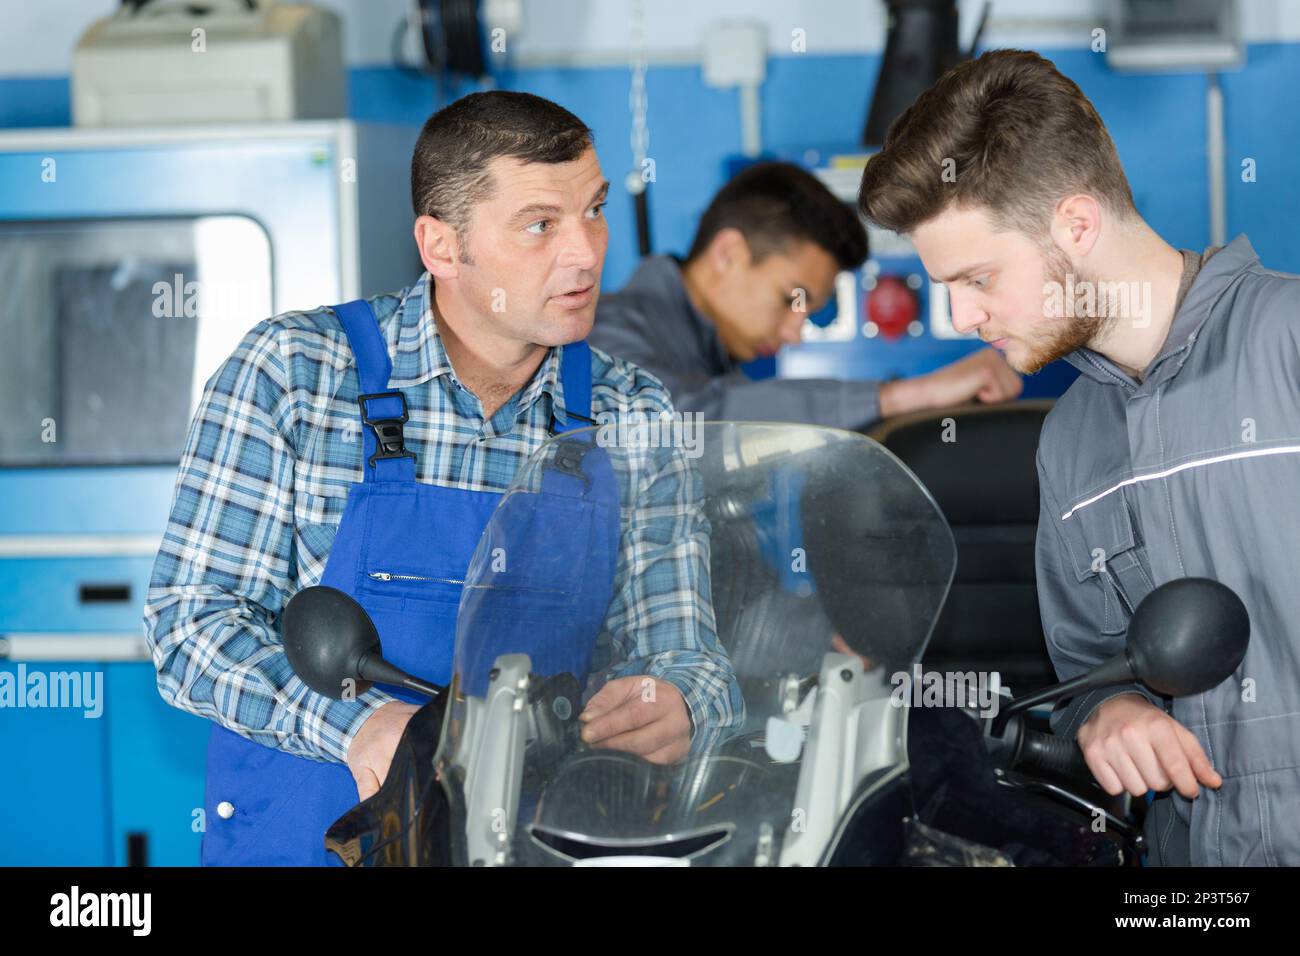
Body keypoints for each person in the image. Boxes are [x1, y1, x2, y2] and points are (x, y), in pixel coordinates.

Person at [143, 90, 740, 867]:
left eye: (593, 210)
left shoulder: (633, 411)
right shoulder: (294, 373)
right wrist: (357, 726)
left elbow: (690, 656)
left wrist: (684, 705)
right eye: (540, 225)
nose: (587, 253)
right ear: (442, 247)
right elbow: (189, 627)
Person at [859, 48, 1300, 866]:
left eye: (979, 276)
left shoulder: (1289, 341)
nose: (961, 317)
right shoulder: (1068, 442)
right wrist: (1111, 712)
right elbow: (1094, 664)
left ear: (1077, 225)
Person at [591, 161, 1021, 429]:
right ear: (728, 254)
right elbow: (679, 424)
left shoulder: (714, 368)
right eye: (790, 300)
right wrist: (903, 395)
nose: (794, 334)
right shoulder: (600, 336)